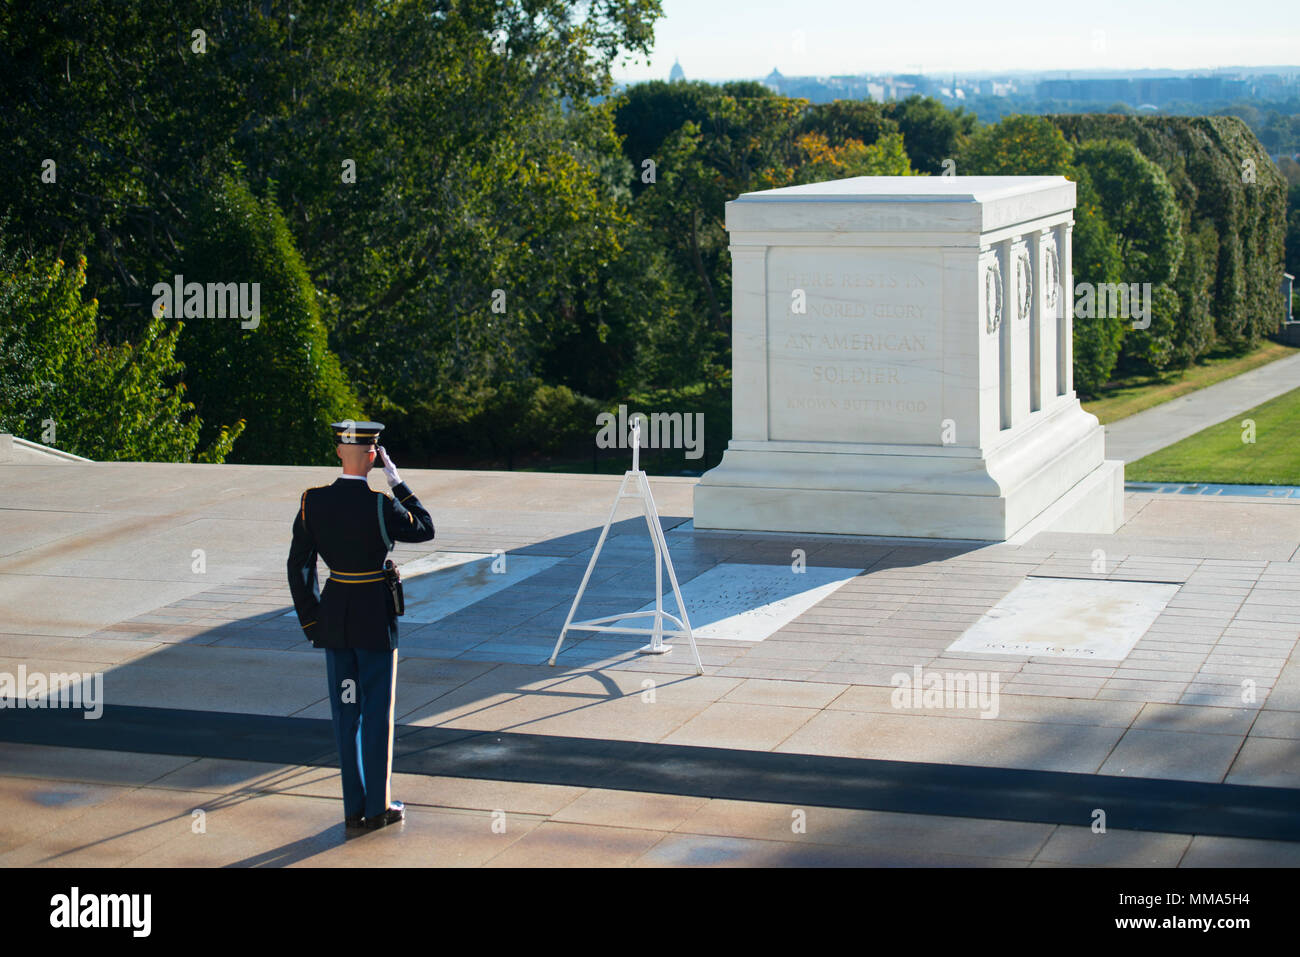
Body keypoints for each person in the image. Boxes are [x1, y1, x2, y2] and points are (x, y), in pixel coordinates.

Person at [286, 421, 435, 830]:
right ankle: (378, 805)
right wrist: (398, 482)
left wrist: (312, 620)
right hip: (374, 617)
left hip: (334, 619)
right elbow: (425, 527)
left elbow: (299, 565)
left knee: (345, 713)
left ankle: (353, 807)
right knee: (376, 714)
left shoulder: (311, 501)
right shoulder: (381, 505)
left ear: (338, 452)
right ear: (373, 456)